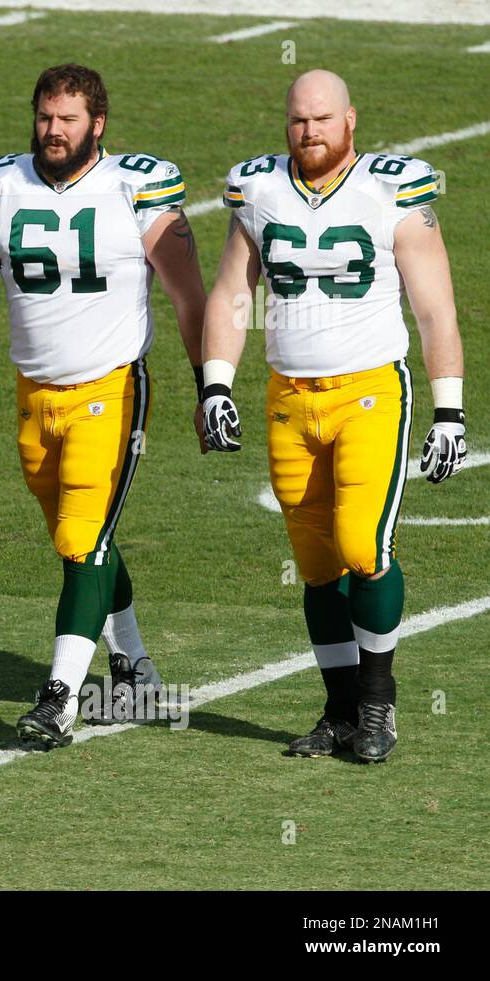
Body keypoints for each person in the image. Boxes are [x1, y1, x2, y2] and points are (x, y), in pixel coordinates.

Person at [0, 64, 207, 746]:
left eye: (69, 119)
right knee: (78, 541)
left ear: (98, 124)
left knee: (84, 536)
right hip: (34, 392)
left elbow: (188, 297)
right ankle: (134, 668)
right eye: (46, 117)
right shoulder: (0, 184)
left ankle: (58, 698)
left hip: (110, 389)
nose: (54, 131)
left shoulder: (136, 186)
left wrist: (212, 388)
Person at [200, 70, 466, 763]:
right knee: (317, 566)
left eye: (321, 119)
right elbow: (233, 290)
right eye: (297, 120)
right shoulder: (258, 191)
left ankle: (378, 704)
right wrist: (216, 385)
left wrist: (450, 409)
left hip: (371, 389)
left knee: (361, 548)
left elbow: (434, 307)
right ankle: (340, 710)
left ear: (351, 120)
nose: (309, 131)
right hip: (289, 396)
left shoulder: (391, 191)